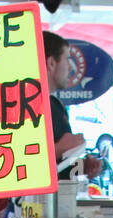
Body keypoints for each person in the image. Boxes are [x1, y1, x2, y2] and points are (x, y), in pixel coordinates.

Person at [42, 31, 85, 161]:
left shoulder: (56, 105)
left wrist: (82, 167)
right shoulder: (21, 108)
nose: (71, 68)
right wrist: (57, 149)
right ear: (51, 63)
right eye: (67, 59)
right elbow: (17, 162)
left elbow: (61, 164)